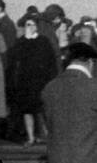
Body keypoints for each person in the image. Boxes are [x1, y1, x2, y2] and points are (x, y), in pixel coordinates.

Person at [6, 14, 59, 144]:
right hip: (25, 82)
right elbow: (14, 59)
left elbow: (50, 61)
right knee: (27, 111)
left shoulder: (43, 41)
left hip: (41, 81)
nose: (30, 27)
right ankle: (30, 137)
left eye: (33, 25)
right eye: (28, 25)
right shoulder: (20, 42)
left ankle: (46, 136)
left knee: (41, 110)